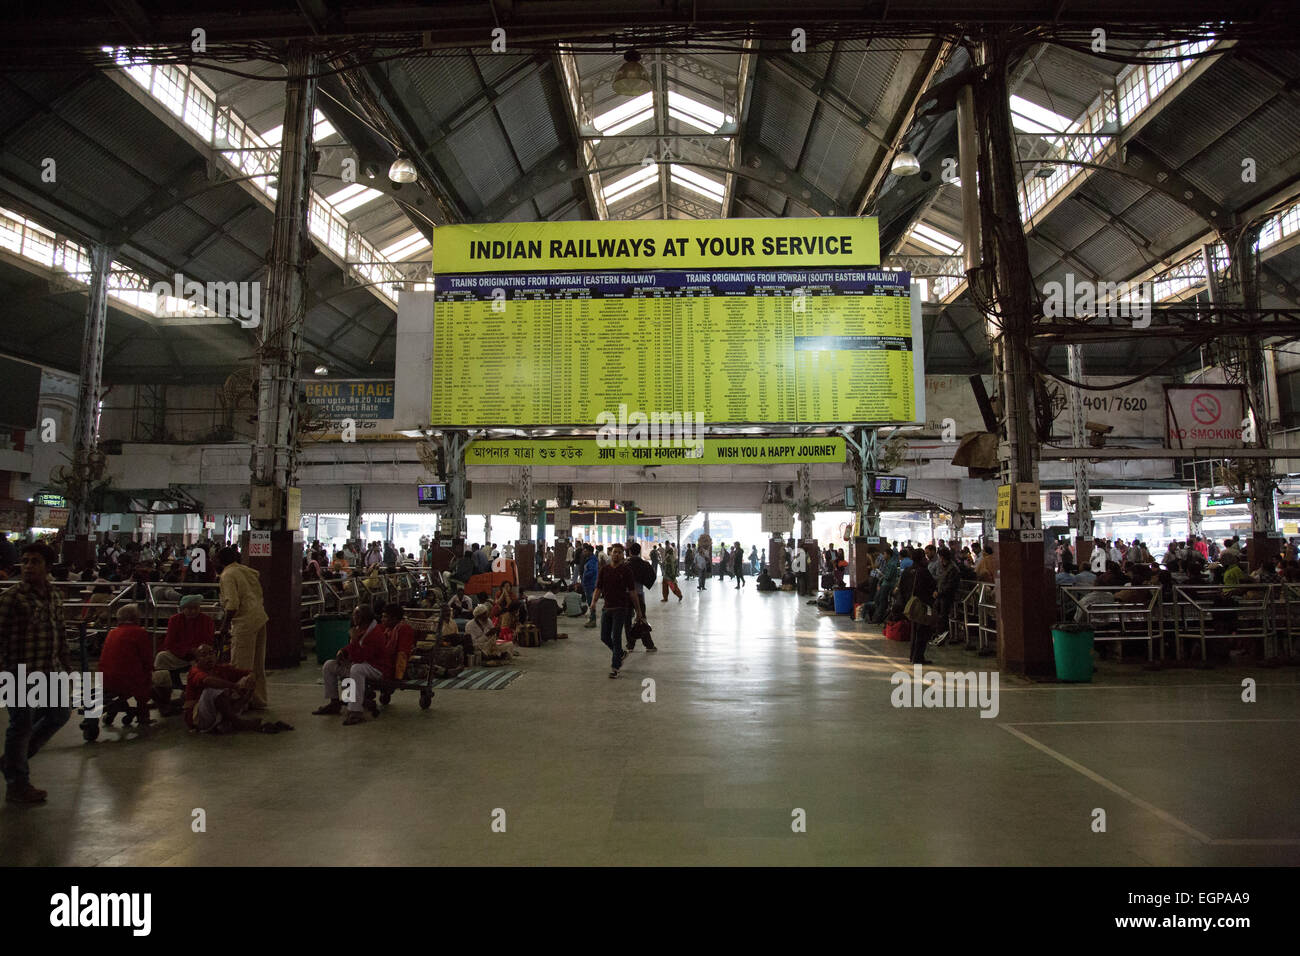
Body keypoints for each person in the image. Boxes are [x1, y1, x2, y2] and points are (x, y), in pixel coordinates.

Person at [0, 542, 71, 804]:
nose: (28, 566)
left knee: (59, 715)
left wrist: (65, 662)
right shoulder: (11, 598)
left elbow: (59, 631)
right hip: (18, 672)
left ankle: (12, 761)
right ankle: (17, 783)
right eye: (26, 561)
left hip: (49, 670)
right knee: (21, 726)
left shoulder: (54, 596)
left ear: (48, 567)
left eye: (35, 561)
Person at [216, 546, 269, 710]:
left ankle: (241, 702)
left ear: (220, 561)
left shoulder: (227, 575)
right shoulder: (246, 571)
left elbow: (232, 604)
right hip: (259, 617)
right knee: (257, 664)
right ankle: (258, 699)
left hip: (244, 622)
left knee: (241, 665)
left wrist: (224, 626)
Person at [313, 605, 385, 725]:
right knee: (329, 665)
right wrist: (343, 651)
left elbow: (359, 658)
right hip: (363, 664)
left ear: (363, 618)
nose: (353, 617)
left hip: (376, 668)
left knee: (357, 669)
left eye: (356, 615)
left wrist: (354, 640)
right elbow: (355, 651)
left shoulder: (375, 634)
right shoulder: (360, 629)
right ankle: (334, 703)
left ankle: (356, 711)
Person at [99, 604, 169, 725]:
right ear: (136, 617)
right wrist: (151, 670)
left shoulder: (112, 632)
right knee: (162, 676)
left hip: (106, 678)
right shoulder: (139, 632)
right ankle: (148, 713)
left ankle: (160, 705)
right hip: (129, 680)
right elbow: (146, 659)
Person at [183, 644, 263, 734]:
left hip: (218, 714)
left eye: (211, 653)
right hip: (200, 718)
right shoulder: (194, 671)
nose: (209, 657)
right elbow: (208, 681)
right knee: (211, 690)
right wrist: (235, 686)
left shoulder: (221, 668)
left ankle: (225, 722)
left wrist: (251, 678)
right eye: (204, 655)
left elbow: (248, 672)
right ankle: (237, 723)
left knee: (245, 681)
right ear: (197, 660)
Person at [152, 593, 214, 697]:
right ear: (182, 609)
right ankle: (163, 693)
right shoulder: (174, 620)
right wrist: (187, 650)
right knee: (161, 656)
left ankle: (198, 691)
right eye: (189, 609)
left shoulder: (207, 620)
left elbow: (208, 641)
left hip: (199, 654)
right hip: (179, 654)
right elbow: (169, 643)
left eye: (195, 608)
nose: (193, 611)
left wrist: (197, 652)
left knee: (205, 658)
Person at [591, 542, 639, 678]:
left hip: (621, 608)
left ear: (623, 555)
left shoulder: (626, 570)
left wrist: (639, 611)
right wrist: (593, 602)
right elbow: (598, 588)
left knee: (616, 637)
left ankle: (615, 667)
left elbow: (632, 591)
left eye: (619, 552)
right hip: (607, 607)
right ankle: (620, 654)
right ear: (611, 553)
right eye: (614, 552)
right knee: (604, 637)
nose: (616, 554)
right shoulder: (604, 570)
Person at [582, 546, 600, 628]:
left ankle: (593, 621)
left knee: (591, 603)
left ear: (589, 551)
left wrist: (585, 577)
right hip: (589, 583)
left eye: (585, 551)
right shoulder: (591, 560)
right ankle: (592, 619)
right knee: (590, 603)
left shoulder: (592, 561)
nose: (584, 553)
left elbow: (592, 572)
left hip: (590, 584)